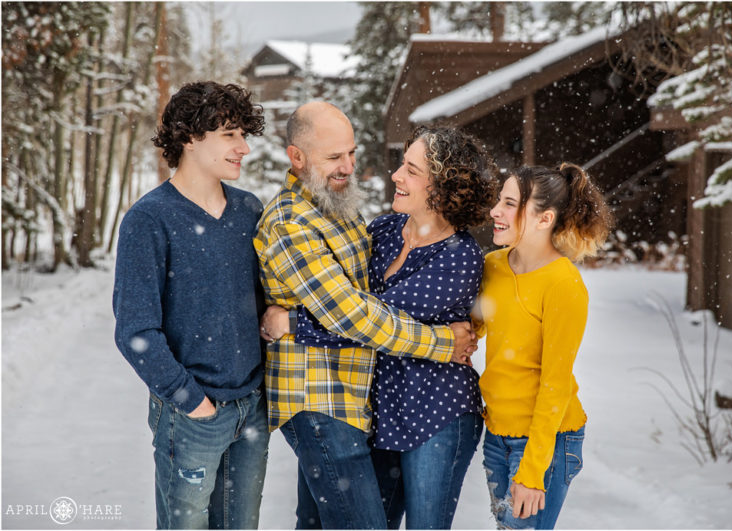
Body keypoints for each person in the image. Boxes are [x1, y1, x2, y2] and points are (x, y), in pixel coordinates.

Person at [253, 102, 477, 529]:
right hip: (319, 398)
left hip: (367, 403)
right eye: (334, 157)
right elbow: (357, 316)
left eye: (350, 153)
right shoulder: (291, 223)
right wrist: (444, 342)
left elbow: (370, 302)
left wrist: (294, 323)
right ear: (296, 157)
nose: (348, 167)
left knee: (318, 524)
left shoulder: (341, 208)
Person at [112, 81, 270, 529]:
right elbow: (136, 331)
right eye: (230, 135)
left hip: (250, 408)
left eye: (244, 135)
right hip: (191, 415)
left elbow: (260, 304)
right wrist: (191, 400)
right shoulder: (150, 219)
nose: (243, 148)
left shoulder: (248, 211)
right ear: (189, 137)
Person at [474, 163, 613, 529]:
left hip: (545, 442)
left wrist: (533, 471)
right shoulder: (492, 267)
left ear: (543, 218)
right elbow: (474, 327)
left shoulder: (563, 285)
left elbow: (555, 383)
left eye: (509, 204)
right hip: (498, 434)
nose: (495, 212)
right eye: (498, 202)